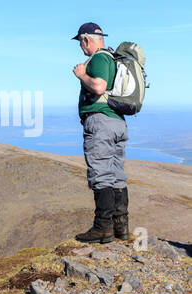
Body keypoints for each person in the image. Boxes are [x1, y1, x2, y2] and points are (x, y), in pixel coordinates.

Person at [72, 22, 130, 244]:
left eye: (80, 42)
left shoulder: (99, 58)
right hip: (117, 122)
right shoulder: (114, 59)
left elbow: (98, 86)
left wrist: (81, 75)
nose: (81, 47)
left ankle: (102, 228)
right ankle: (120, 227)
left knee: (101, 174)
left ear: (86, 39)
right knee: (116, 175)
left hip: (100, 122)